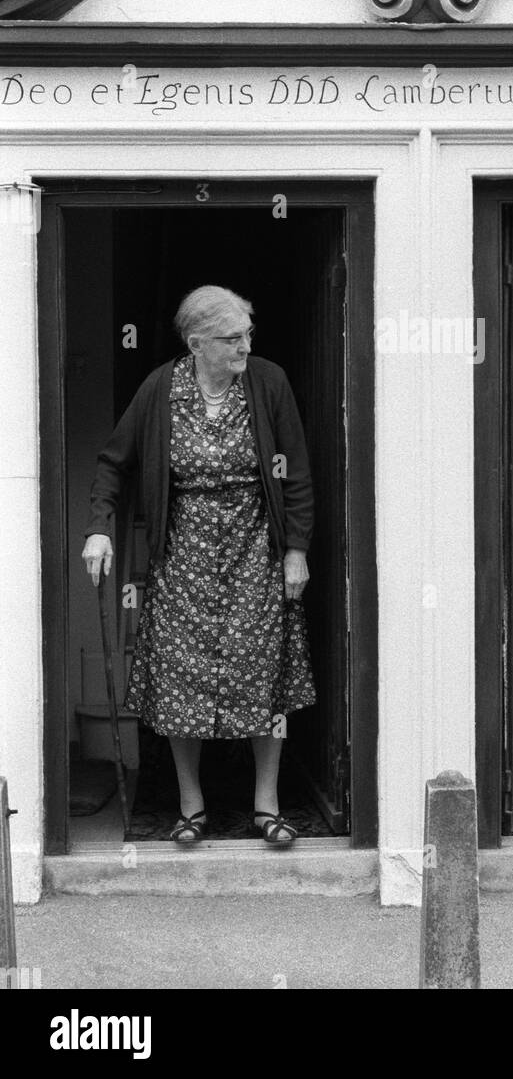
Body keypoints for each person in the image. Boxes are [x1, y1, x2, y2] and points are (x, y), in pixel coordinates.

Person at [81, 285, 315, 847]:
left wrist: (296, 550)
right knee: (181, 678)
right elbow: (115, 462)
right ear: (197, 344)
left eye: (247, 335)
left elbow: (297, 472)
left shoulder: (268, 381)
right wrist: (97, 528)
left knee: (263, 674)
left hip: (254, 549)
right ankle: (191, 806)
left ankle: (267, 806)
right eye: (232, 339)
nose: (244, 347)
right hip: (182, 554)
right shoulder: (161, 388)